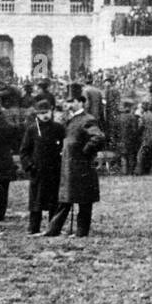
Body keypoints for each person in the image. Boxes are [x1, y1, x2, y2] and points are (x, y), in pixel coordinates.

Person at [46, 86, 106, 238]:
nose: (69, 105)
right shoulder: (71, 119)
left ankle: (81, 232)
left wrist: (84, 152)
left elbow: (98, 137)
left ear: (80, 102)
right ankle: (54, 230)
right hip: (70, 167)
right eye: (67, 102)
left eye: (72, 102)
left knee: (84, 201)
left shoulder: (87, 119)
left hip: (82, 167)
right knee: (66, 199)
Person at [20, 99, 64, 234]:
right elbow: (24, 151)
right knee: (36, 201)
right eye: (41, 113)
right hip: (37, 171)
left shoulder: (58, 128)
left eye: (47, 112)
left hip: (54, 171)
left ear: (52, 112)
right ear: (37, 114)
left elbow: (64, 147)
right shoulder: (32, 129)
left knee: (53, 200)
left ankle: (53, 228)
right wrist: (30, 166)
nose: (45, 115)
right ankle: (33, 227)